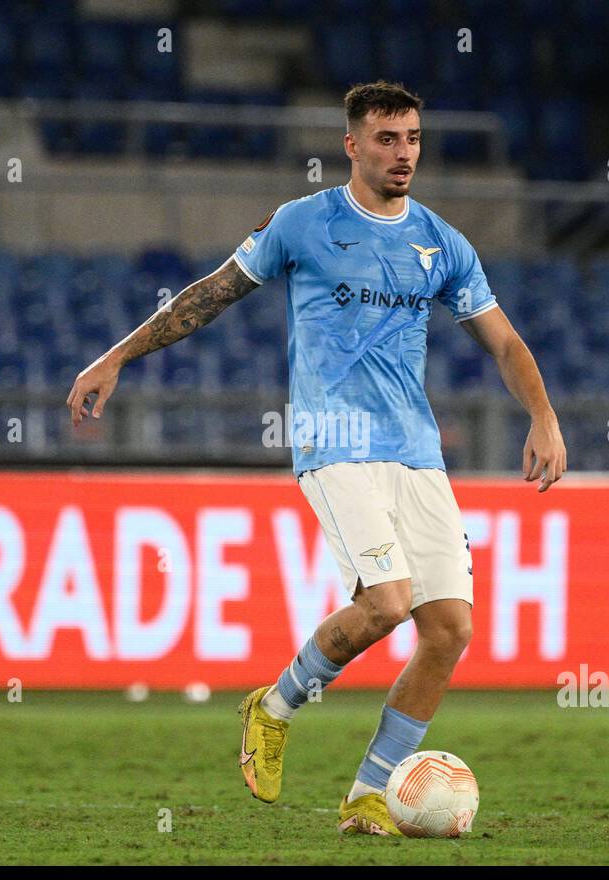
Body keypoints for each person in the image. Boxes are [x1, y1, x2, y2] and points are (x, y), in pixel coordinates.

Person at [66, 80, 567, 835]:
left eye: (414, 139)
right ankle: (272, 707)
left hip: (416, 451)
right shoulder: (303, 224)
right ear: (353, 145)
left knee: (450, 628)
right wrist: (118, 355)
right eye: (389, 139)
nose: (405, 154)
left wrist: (544, 415)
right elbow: (210, 293)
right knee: (389, 603)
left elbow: (502, 338)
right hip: (333, 442)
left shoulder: (442, 241)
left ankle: (367, 793)